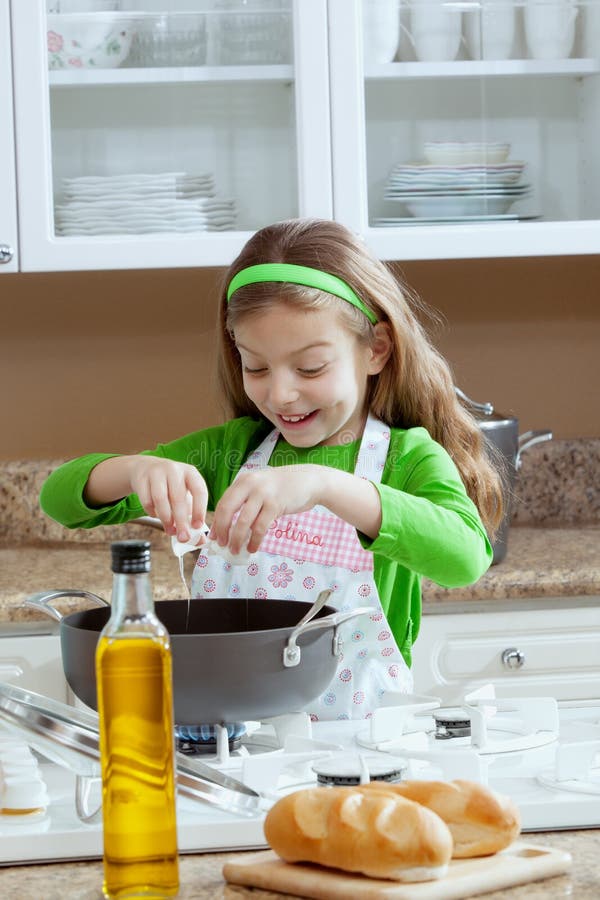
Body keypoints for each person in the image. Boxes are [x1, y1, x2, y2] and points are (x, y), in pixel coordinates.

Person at [40, 218, 502, 720]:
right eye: (256, 367)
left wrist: (327, 485)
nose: (280, 394)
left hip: (358, 751)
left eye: (309, 368)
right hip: (230, 741)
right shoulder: (231, 452)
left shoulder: (406, 458)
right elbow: (58, 500)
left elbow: (464, 558)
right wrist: (134, 470)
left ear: (376, 349)